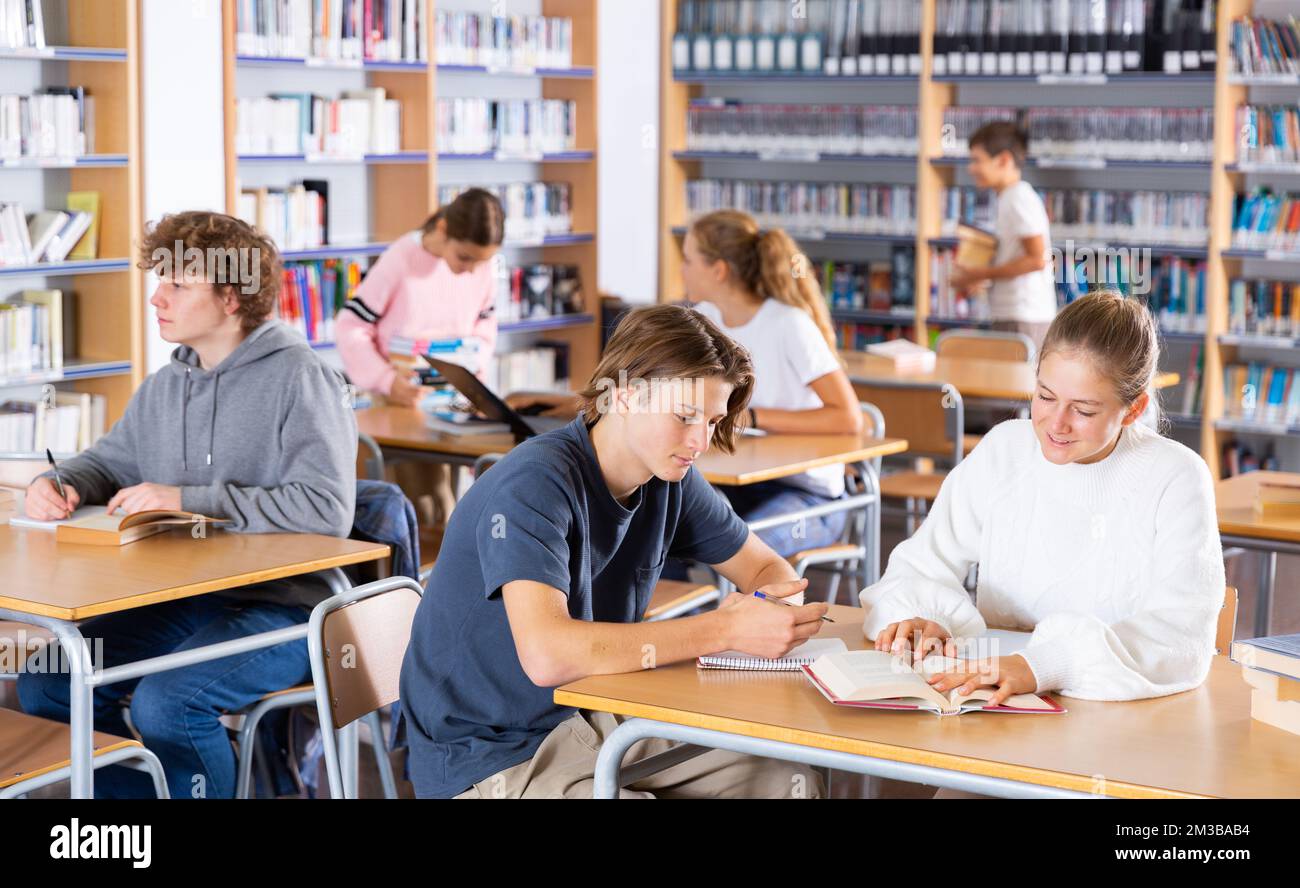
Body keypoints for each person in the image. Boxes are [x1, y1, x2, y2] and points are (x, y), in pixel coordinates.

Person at [399, 304, 829, 798]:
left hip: (592, 712)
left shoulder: (671, 475)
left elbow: (765, 565)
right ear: (624, 396)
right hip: (492, 755)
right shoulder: (535, 484)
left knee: (783, 780)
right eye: (684, 416)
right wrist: (726, 628)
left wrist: (773, 610)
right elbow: (547, 656)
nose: (699, 441)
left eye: (711, 420)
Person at [19, 211, 357, 798]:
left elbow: (326, 507)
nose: (156, 297)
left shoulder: (301, 379)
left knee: (167, 705)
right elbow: (110, 462)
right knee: (47, 683)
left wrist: (189, 500)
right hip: (190, 600)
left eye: (176, 284)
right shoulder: (166, 385)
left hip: (288, 610)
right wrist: (62, 481)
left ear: (230, 298)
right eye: (159, 280)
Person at [860, 290, 1224, 706]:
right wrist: (926, 619)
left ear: (1133, 409)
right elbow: (919, 565)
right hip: (988, 701)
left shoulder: (1176, 477)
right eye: (1045, 396)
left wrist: (1041, 665)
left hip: (1106, 711)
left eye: (1084, 410)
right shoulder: (1005, 449)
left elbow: (1178, 638)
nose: (1056, 423)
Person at [682, 210, 863, 557]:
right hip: (735, 481)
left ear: (718, 270)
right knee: (657, 529)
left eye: (688, 260)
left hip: (809, 496)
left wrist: (755, 418)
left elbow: (849, 418)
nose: (682, 269)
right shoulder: (704, 318)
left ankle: (736, 611)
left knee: (744, 551)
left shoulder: (788, 324)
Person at [335, 187, 504, 527]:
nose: (472, 270)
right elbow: (349, 326)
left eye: (482, 262)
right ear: (442, 230)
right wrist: (386, 380)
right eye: (465, 258)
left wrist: (475, 363)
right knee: (423, 503)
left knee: (459, 498)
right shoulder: (401, 258)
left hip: (455, 398)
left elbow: (485, 323)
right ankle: (423, 575)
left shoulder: (482, 268)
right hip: (401, 401)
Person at [950, 121, 1057, 353]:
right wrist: (981, 277)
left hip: (1023, 317)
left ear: (1004, 160)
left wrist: (982, 273)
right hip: (1015, 314)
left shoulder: (1018, 197)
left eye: (977, 160)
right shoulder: (1008, 198)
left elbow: (1037, 259)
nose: (971, 168)